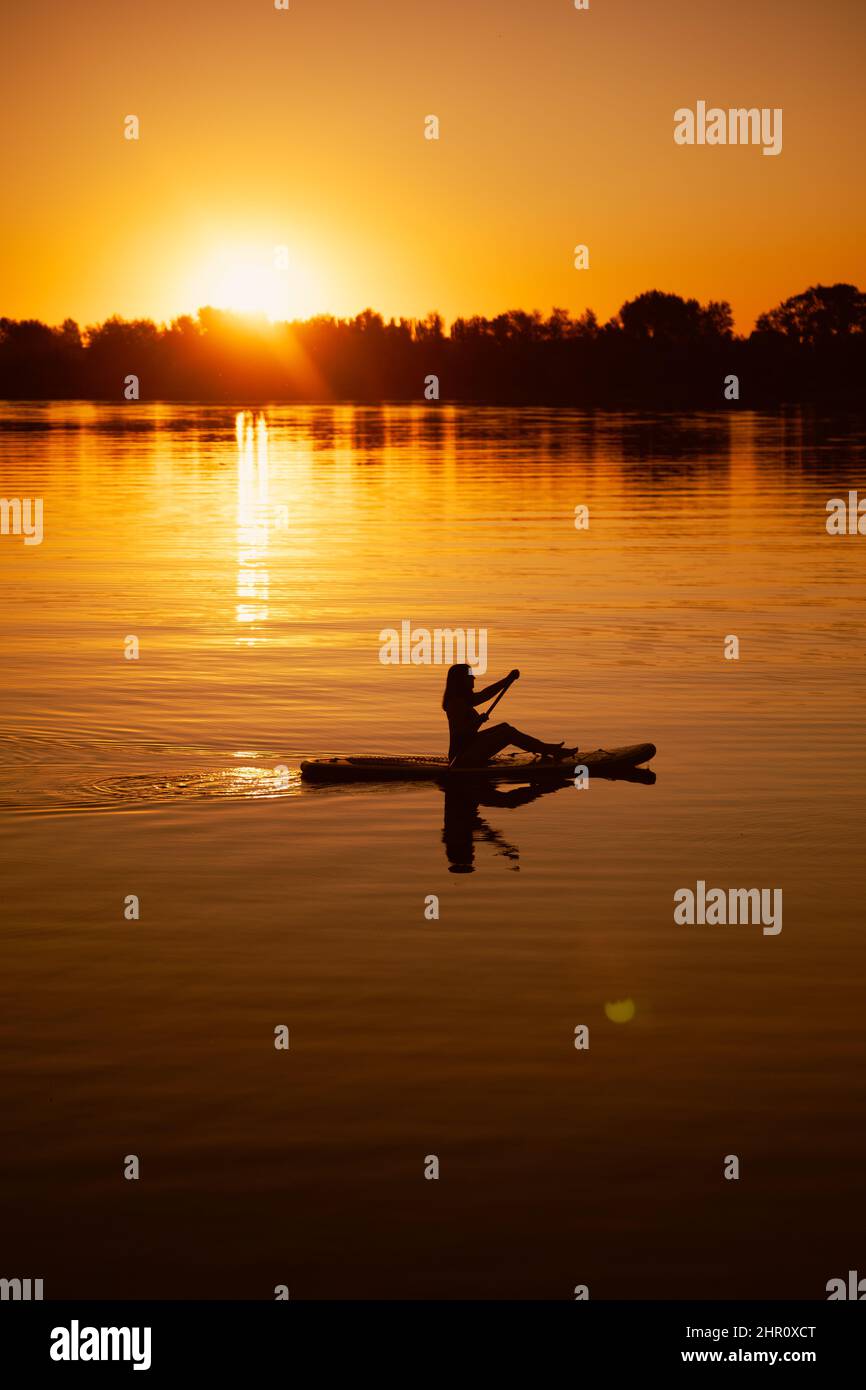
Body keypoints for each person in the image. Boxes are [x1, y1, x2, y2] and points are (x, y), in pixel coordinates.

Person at [442, 664, 578, 767]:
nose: (473, 678)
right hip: (461, 757)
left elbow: (486, 694)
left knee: (505, 727)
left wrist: (507, 680)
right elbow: (461, 733)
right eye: (469, 676)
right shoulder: (455, 704)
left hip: (468, 749)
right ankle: (550, 750)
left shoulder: (464, 700)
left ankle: (546, 749)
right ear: (460, 680)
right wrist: (478, 721)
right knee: (507, 733)